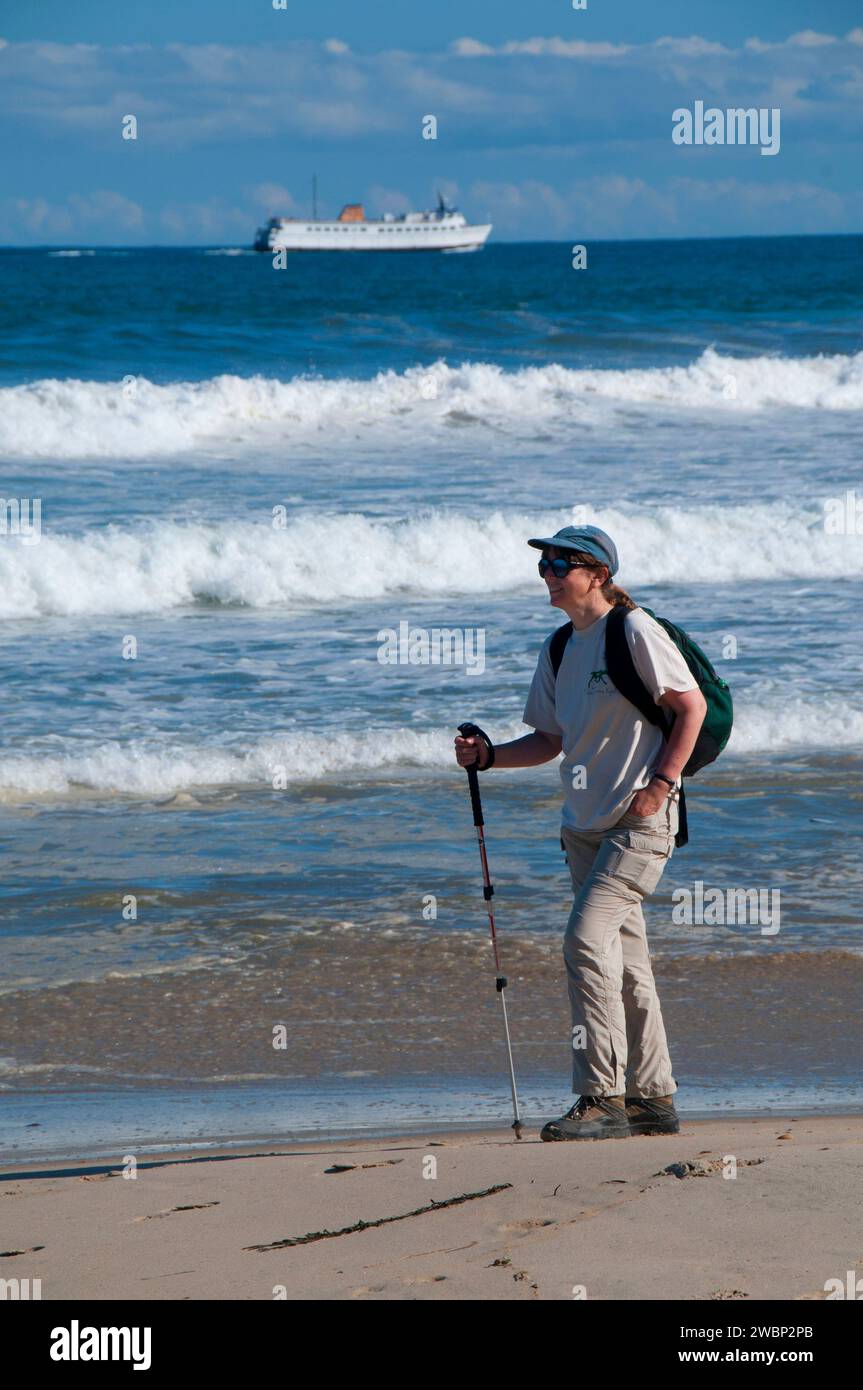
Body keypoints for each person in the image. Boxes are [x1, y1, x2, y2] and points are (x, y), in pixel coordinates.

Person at [454, 525, 707, 1141]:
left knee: (584, 943)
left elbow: (691, 707)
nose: (548, 574)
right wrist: (489, 757)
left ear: (598, 574)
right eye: (543, 564)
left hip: (639, 823)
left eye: (561, 564)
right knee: (626, 965)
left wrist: (661, 784)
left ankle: (602, 1098)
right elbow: (550, 740)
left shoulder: (634, 630)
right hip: (583, 830)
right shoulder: (561, 646)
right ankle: (653, 1098)